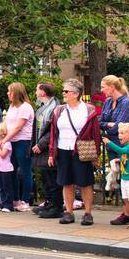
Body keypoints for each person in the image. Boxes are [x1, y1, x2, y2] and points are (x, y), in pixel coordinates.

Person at [48, 78, 101, 226]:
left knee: (85, 183)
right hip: (63, 149)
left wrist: (96, 154)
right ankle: (69, 212)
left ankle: (88, 213)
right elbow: (54, 133)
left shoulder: (88, 110)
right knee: (66, 183)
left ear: (76, 93)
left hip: (81, 151)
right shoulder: (59, 110)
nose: (63, 93)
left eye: (66, 91)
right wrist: (52, 153)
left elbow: (95, 133)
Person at [99, 75, 129, 226]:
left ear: (112, 87)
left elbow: (118, 126)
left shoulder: (127, 103)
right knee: (122, 180)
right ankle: (128, 213)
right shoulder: (108, 102)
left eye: (103, 87)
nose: (101, 90)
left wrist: (109, 125)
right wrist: (108, 124)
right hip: (112, 144)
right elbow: (100, 122)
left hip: (124, 146)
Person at [31, 82, 63, 218]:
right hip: (42, 147)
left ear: (43, 92)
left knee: (52, 178)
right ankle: (49, 203)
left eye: (37, 89)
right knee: (46, 177)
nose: (35, 92)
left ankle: (56, 207)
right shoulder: (43, 107)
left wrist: (41, 144)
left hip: (50, 147)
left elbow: (52, 130)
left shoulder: (55, 108)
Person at [5, 82, 35, 212]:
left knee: (24, 171)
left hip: (23, 141)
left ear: (16, 93)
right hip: (12, 141)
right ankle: (15, 199)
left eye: (9, 91)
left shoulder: (25, 107)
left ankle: (26, 200)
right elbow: (7, 124)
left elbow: (18, 126)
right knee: (12, 170)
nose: (7, 94)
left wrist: (5, 139)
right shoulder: (12, 107)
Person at [0, 123, 16, 213]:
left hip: (6, 168)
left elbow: (2, 155)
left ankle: (9, 205)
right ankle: (3, 202)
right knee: (1, 186)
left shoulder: (7, 143)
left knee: (7, 187)